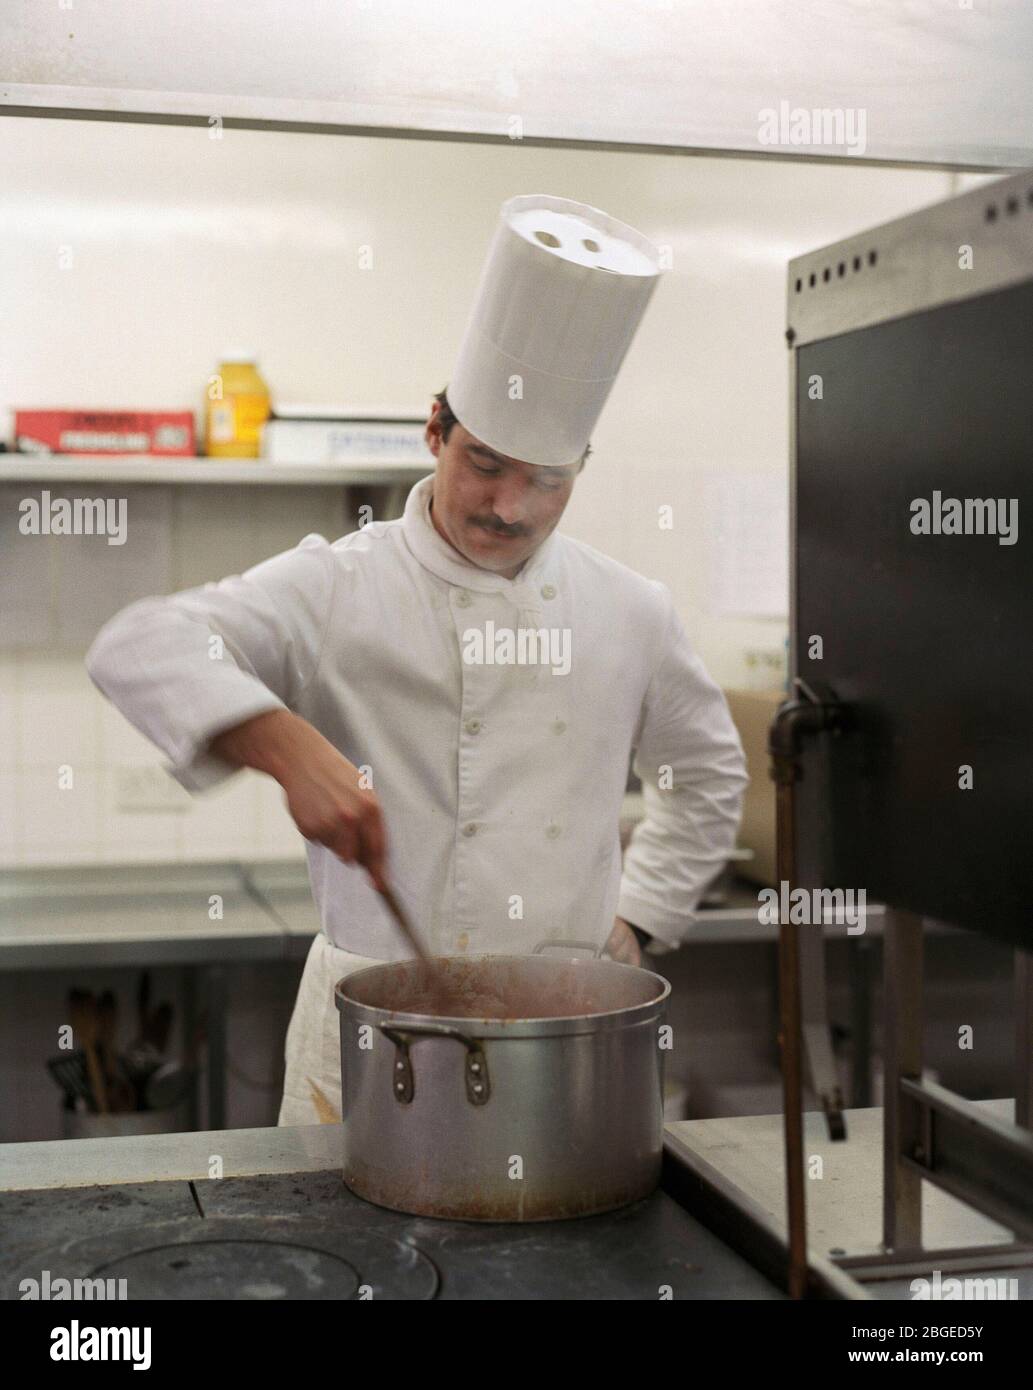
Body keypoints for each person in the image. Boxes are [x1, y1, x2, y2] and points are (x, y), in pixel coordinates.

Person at [86, 194, 748, 1124]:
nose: (509, 505)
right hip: (367, 1017)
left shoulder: (629, 609)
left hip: (560, 1018)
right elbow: (138, 644)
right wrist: (279, 742)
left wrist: (639, 919)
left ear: (579, 470)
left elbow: (709, 772)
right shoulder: (338, 584)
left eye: (545, 480)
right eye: (484, 462)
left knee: (556, 1259)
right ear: (434, 430)